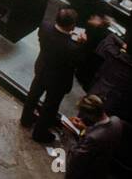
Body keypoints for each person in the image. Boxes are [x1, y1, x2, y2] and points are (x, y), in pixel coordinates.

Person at [20, 8, 85, 144]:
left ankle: (25, 119)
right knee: (50, 106)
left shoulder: (45, 27)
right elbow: (77, 61)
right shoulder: (72, 47)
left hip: (42, 68)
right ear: (71, 25)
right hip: (58, 79)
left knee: (34, 94)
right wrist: (81, 43)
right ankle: (39, 133)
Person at [60, 95, 124, 179]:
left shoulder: (93, 138)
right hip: (97, 172)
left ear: (90, 115)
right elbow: (102, 135)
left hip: (81, 176)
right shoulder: (116, 122)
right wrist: (86, 128)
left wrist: (76, 134)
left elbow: (75, 159)